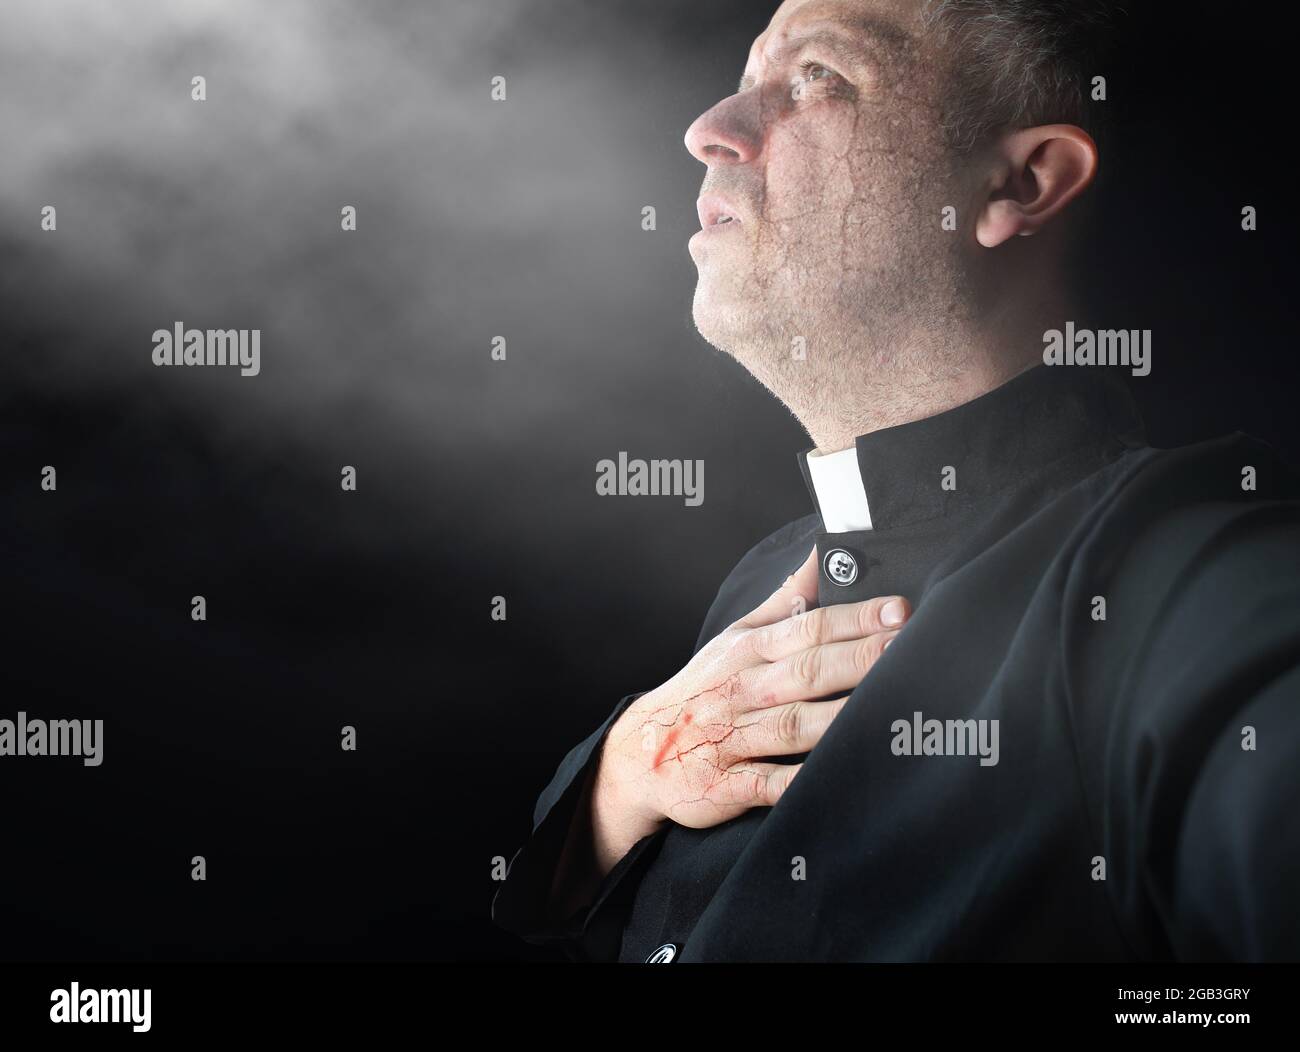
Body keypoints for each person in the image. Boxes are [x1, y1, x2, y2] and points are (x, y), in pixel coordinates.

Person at [491, 0, 1300, 961]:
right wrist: (620, 777)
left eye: (817, 78)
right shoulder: (764, 577)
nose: (709, 130)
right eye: (750, 79)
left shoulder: (1186, 575)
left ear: (1022, 182)